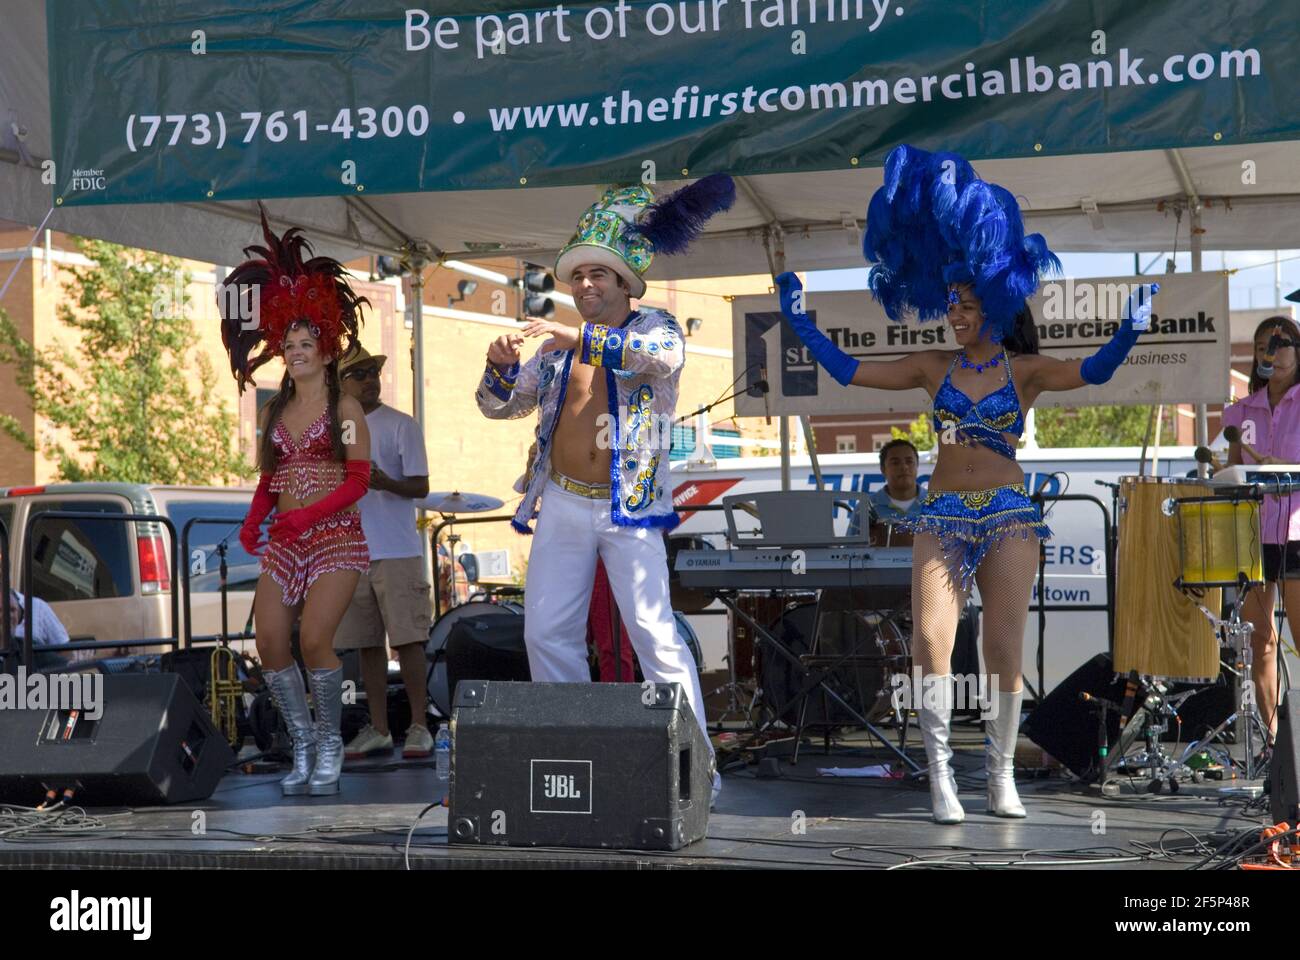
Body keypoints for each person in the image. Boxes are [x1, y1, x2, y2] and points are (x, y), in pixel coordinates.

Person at [775, 144, 1157, 823]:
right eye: (949, 301)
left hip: (1009, 515)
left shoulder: (1027, 370)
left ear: (994, 300)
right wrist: (801, 320)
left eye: (966, 301)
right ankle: (942, 777)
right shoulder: (931, 366)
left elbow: (1093, 373)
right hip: (942, 516)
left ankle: (1002, 775)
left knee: (1002, 645)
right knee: (930, 641)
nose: (955, 311)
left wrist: (1129, 329)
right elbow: (847, 373)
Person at [475, 176, 735, 807]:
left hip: (630, 507)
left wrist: (574, 336)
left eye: (599, 276)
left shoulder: (658, 327)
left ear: (625, 284)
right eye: (578, 277)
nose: (585, 286)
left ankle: (697, 765)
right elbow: (495, 408)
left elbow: (657, 357)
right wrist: (499, 365)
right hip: (561, 501)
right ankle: (572, 753)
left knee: (652, 631)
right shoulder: (557, 356)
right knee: (546, 633)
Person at [220, 210, 372, 797]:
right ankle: (303, 744)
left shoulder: (346, 410)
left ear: (328, 348)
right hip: (285, 541)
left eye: (307, 343)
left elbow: (359, 481)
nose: (296, 350)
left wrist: (309, 513)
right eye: (289, 342)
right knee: (270, 642)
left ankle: (331, 742)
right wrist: (257, 517)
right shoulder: (273, 412)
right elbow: (270, 476)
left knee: (314, 640)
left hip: (335, 538)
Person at [332, 343, 434, 760]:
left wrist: (384, 482)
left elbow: (421, 487)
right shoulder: (334, 429)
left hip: (396, 549)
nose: (371, 380)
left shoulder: (400, 425)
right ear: (341, 385)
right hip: (352, 551)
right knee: (365, 645)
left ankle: (420, 726)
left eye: (373, 372)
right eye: (361, 374)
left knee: (408, 641)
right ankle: (378, 728)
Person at [1222, 313, 1300, 749]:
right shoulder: (1239, 410)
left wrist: (1287, 469)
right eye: (1266, 344)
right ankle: (1276, 750)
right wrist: (1227, 472)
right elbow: (1232, 465)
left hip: (1296, 530)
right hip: (1250, 534)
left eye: (1285, 341)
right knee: (1260, 642)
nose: (1275, 349)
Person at [847, 437, 927, 541]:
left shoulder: (938, 504)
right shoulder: (866, 509)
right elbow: (849, 553)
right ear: (883, 469)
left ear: (917, 465)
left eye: (909, 461)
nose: (904, 467)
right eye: (895, 463)